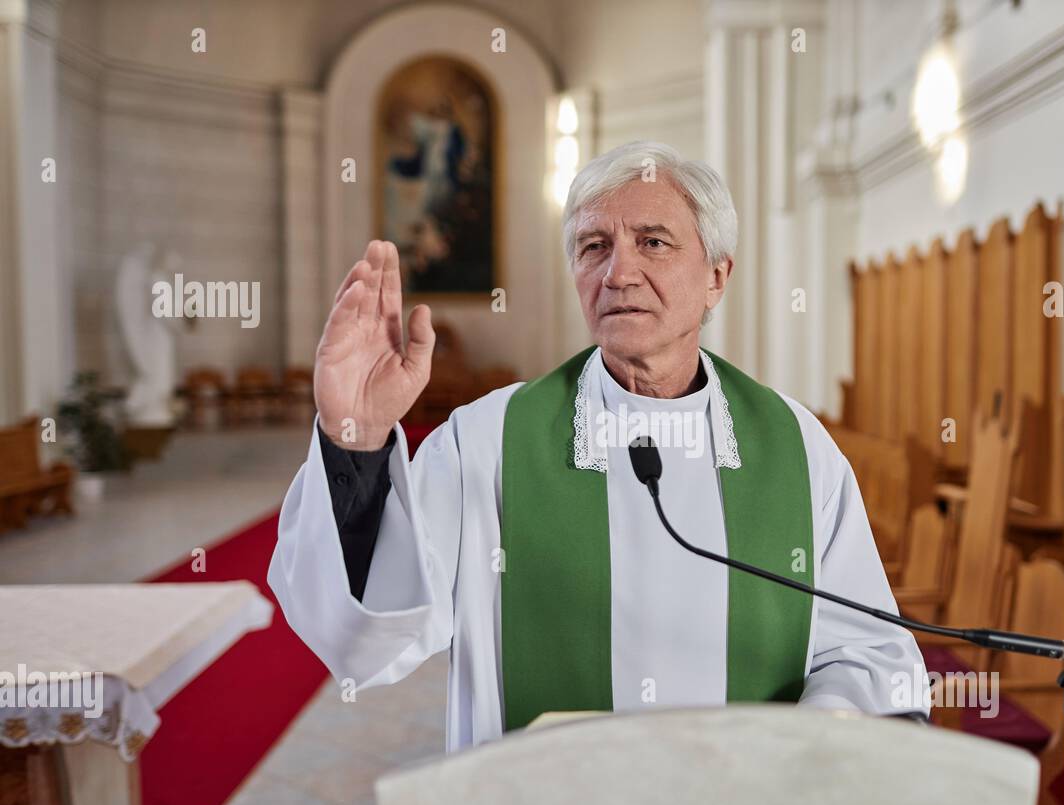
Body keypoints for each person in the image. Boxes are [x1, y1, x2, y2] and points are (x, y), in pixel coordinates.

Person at [268, 141, 930, 752]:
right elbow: (370, 636)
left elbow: (868, 658)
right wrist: (353, 437)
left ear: (716, 278)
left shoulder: (796, 448)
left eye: (653, 242)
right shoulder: (489, 442)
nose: (619, 272)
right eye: (593, 247)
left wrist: (789, 753)